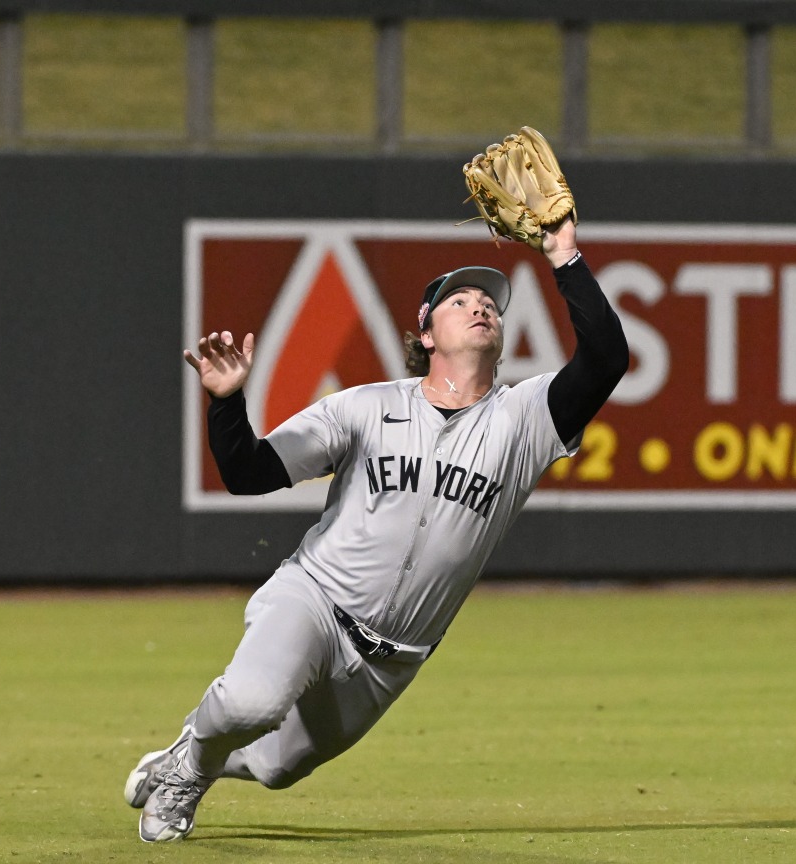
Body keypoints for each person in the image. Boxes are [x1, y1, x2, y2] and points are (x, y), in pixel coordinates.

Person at [127, 215, 628, 843]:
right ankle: (187, 773)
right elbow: (248, 473)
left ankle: (190, 758)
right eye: (460, 300)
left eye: (491, 306)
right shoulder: (364, 407)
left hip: (392, 658)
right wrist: (227, 402)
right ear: (425, 329)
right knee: (252, 702)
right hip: (315, 598)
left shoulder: (527, 420)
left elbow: (607, 357)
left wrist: (564, 255)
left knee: (277, 768)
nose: (481, 308)